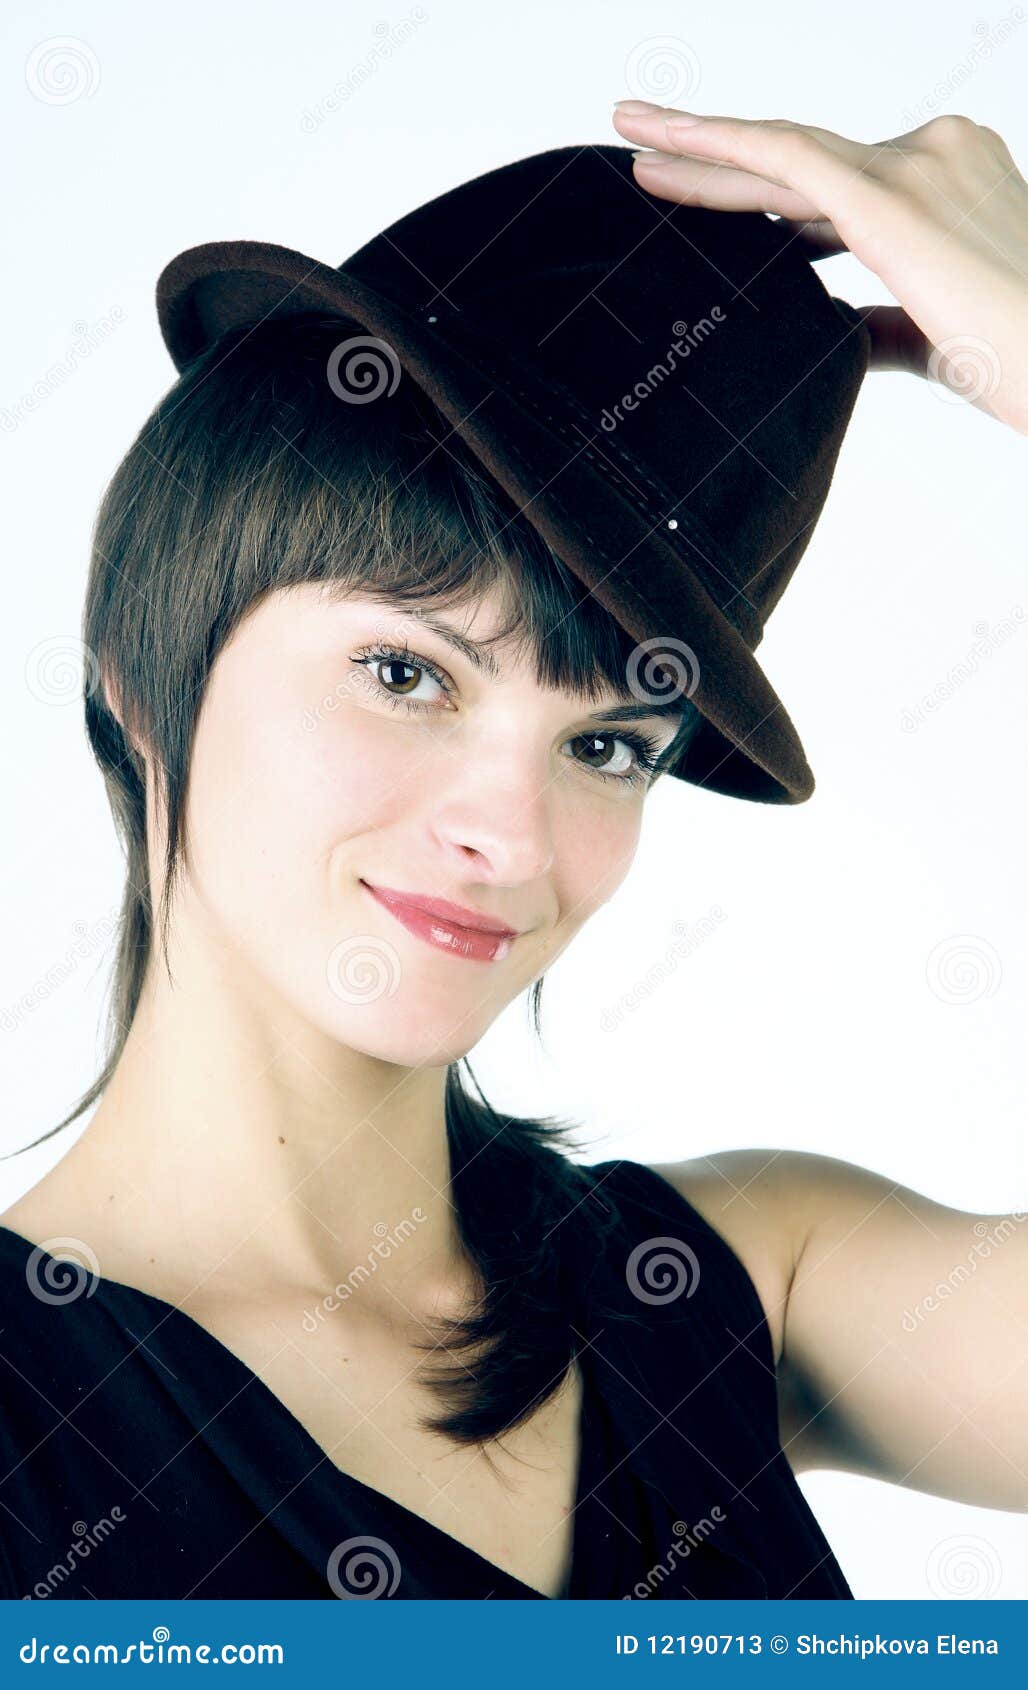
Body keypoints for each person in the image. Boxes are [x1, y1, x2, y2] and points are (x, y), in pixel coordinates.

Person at [1, 105, 1025, 1604]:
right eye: (406, 673)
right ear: (143, 670)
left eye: (606, 746)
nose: (510, 833)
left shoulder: (735, 1291)